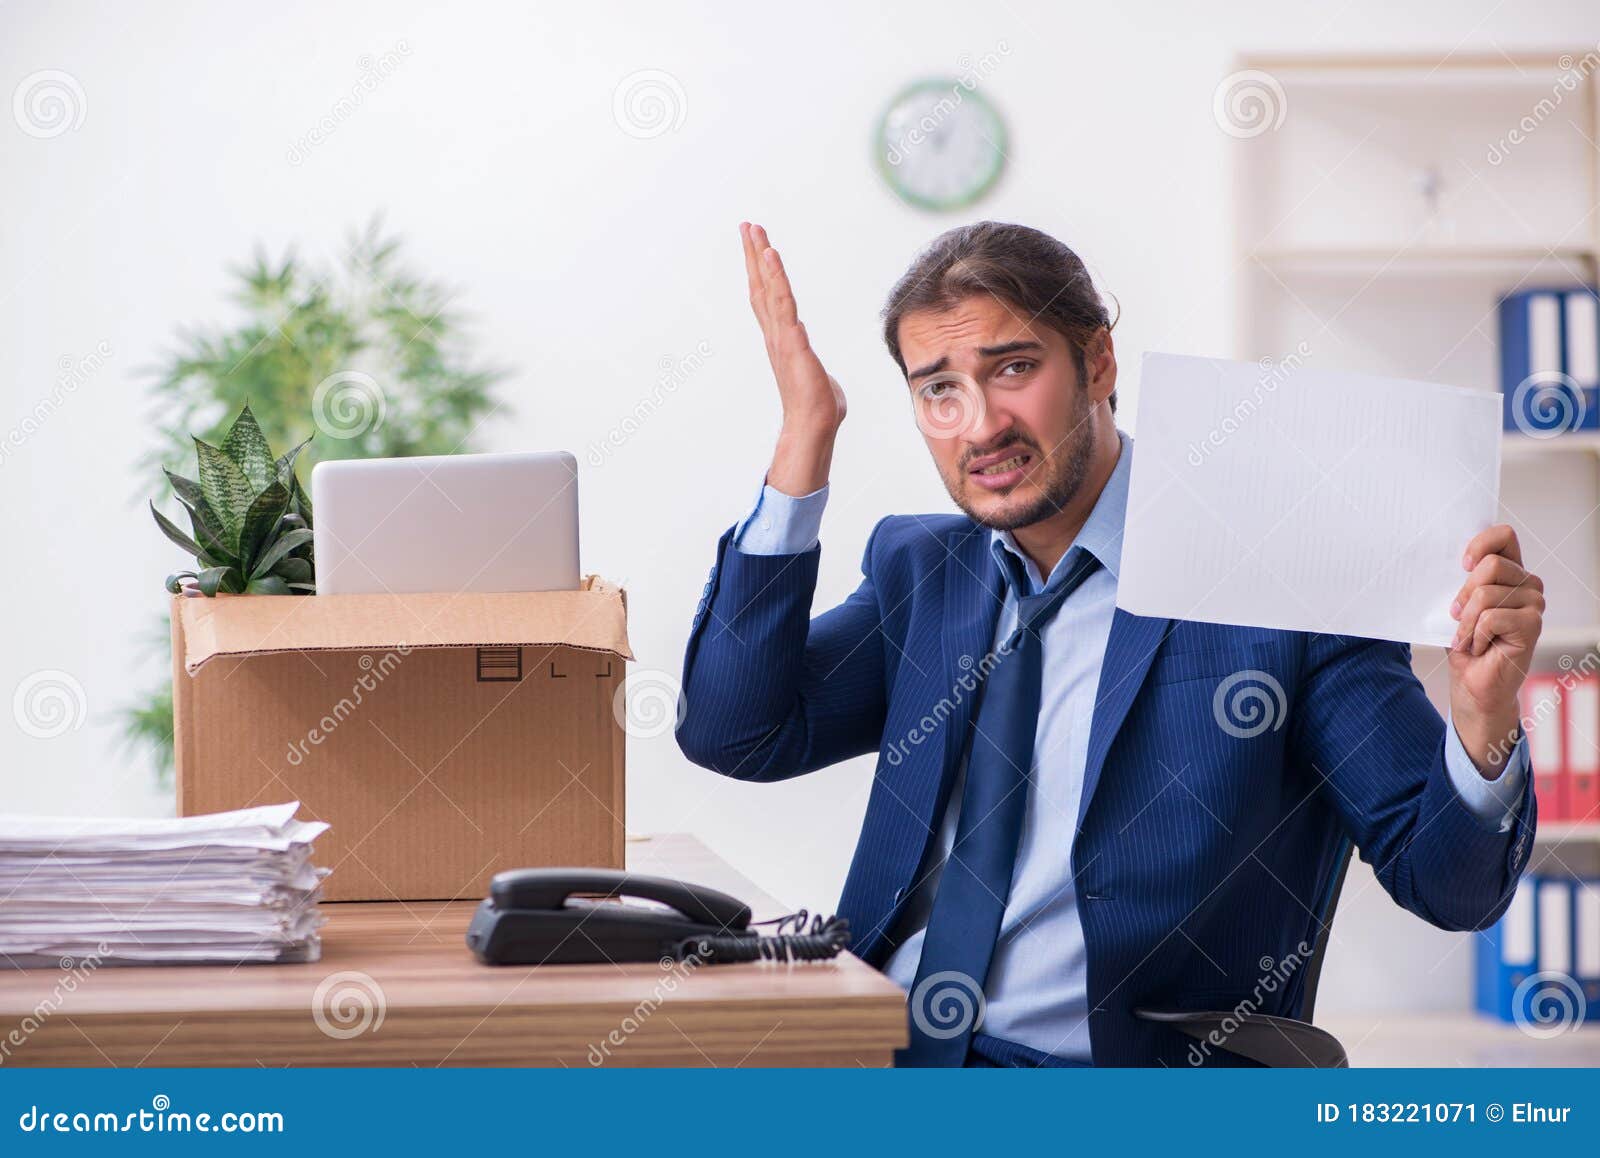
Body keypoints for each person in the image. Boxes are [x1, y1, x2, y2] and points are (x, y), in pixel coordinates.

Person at [675, 220, 1541, 1067]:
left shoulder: (1278, 577)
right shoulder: (924, 572)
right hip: (880, 1062)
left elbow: (1450, 885)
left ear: (1097, 362)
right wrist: (804, 435)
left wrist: (1482, 718)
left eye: (1012, 368)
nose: (979, 426)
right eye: (937, 389)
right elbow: (734, 732)